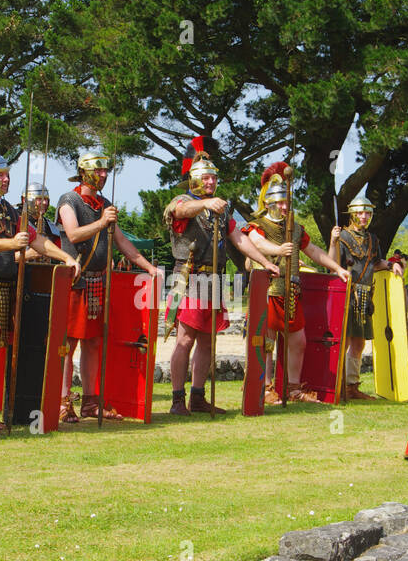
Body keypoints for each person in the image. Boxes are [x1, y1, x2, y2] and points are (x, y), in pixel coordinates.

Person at [0, 150, 79, 436]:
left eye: (7, 174)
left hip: (7, 289)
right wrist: (11, 244)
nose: (6, 179)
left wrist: (65, 258)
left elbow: (37, 239)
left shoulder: (8, 209)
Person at [163, 151, 278, 416]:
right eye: (206, 177)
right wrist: (206, 203)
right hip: (189, 277)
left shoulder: (221, 209)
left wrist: (265, 262)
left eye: (214, 178)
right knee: (185, 339)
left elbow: (239, 239)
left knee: (207, 341)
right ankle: (177, 400)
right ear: (194, 179)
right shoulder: (184, 200)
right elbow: (179, 210)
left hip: (213, 280)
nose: (212, 182)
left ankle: (198, 397)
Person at [57, 148, 160, 421]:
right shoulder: (69, 200)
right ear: (84, 171)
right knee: (68, 345)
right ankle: (62, 401)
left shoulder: (104, 203)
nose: (103, 175)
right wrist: (102, 222)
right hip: (75, 282)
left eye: (105, 171)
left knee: (93, 343)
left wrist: (148, 267)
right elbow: (73, 233)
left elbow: (121, 240)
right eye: (98, 170)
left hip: (97, 283)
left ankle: (90, 402)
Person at [242, 161, 351, 404]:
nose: (284, 207)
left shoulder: (295, 228)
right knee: (267, 342)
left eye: (287, 203)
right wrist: (278, 248)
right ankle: (266, 387)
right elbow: (254, 244)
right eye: (280, 203)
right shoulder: (258, 226)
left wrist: (337, 268)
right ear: (269, 202)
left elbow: (313, 251)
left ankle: (292, 388)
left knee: (298, 341)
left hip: (291, 291)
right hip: (268, 290)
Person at [329, 195, 404, 399]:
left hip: (365, 294)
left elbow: (375, 263)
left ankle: (351, 386)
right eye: (361, 212)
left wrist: (391, 264)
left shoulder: (372, 239)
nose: (364, 216)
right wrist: (333, 241)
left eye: (368, 213)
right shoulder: (343, 237)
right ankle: (337, 385)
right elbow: (332, 263)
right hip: (347, 294)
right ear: (352, 214)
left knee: (359, 343)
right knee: (343, 342)